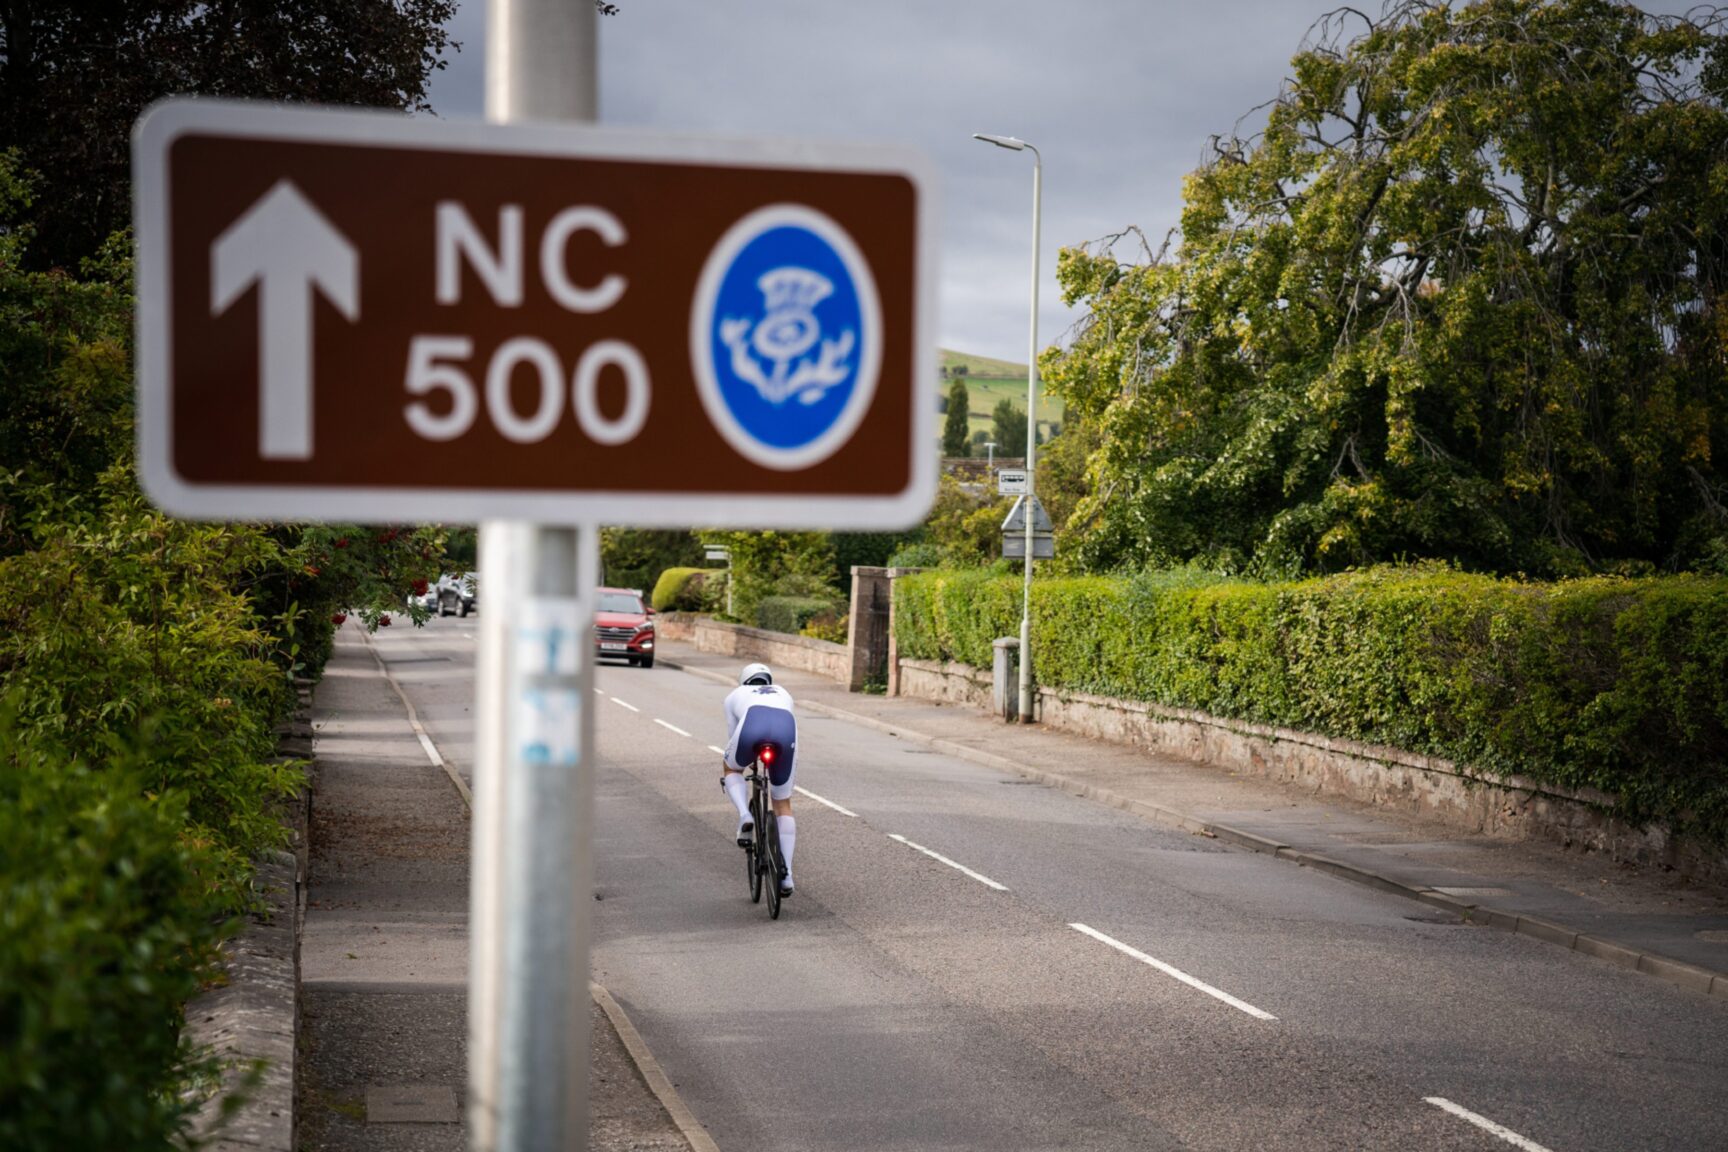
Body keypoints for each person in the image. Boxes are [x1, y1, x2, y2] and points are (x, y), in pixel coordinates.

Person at [720, 662, 797, 896]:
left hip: (751, 730)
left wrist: (747, 758)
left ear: (744, 681)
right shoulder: (784, 692)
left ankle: (745, 815)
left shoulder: (734, 695)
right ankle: (787, 876)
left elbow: (734, 736)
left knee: (731, 768)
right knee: (782, 803)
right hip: (785, 733)